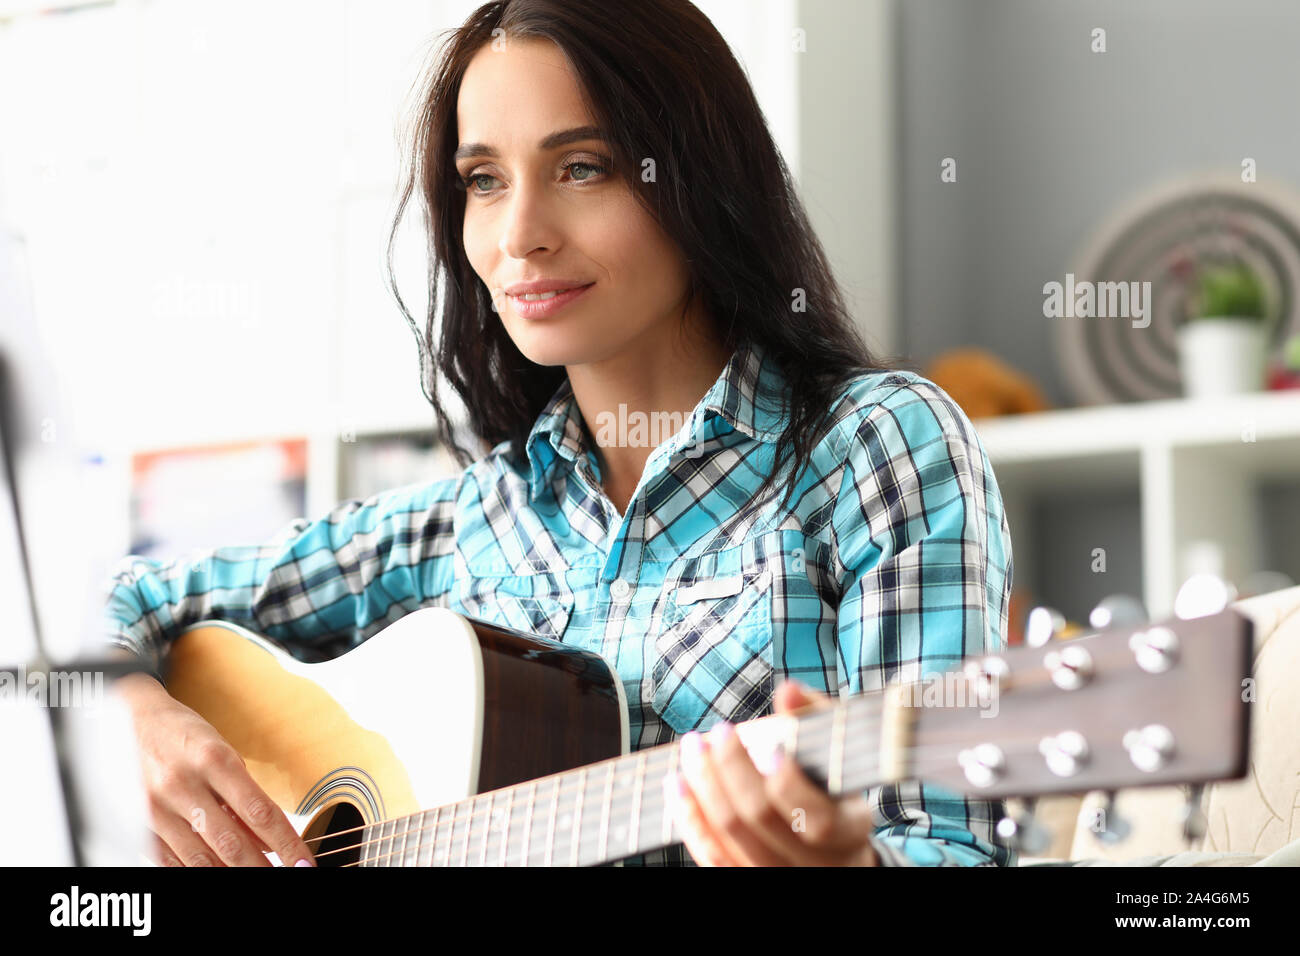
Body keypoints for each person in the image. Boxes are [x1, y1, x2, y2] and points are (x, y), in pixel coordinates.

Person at [105, 0, 1015, 867]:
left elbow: (949, 842)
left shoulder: (876, 447)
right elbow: (84, 616)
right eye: (483, 181)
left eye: (582, 167)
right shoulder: (466, 522)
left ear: (699, 176)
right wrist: (129, 723)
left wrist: (843, 860)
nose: (520, 235)